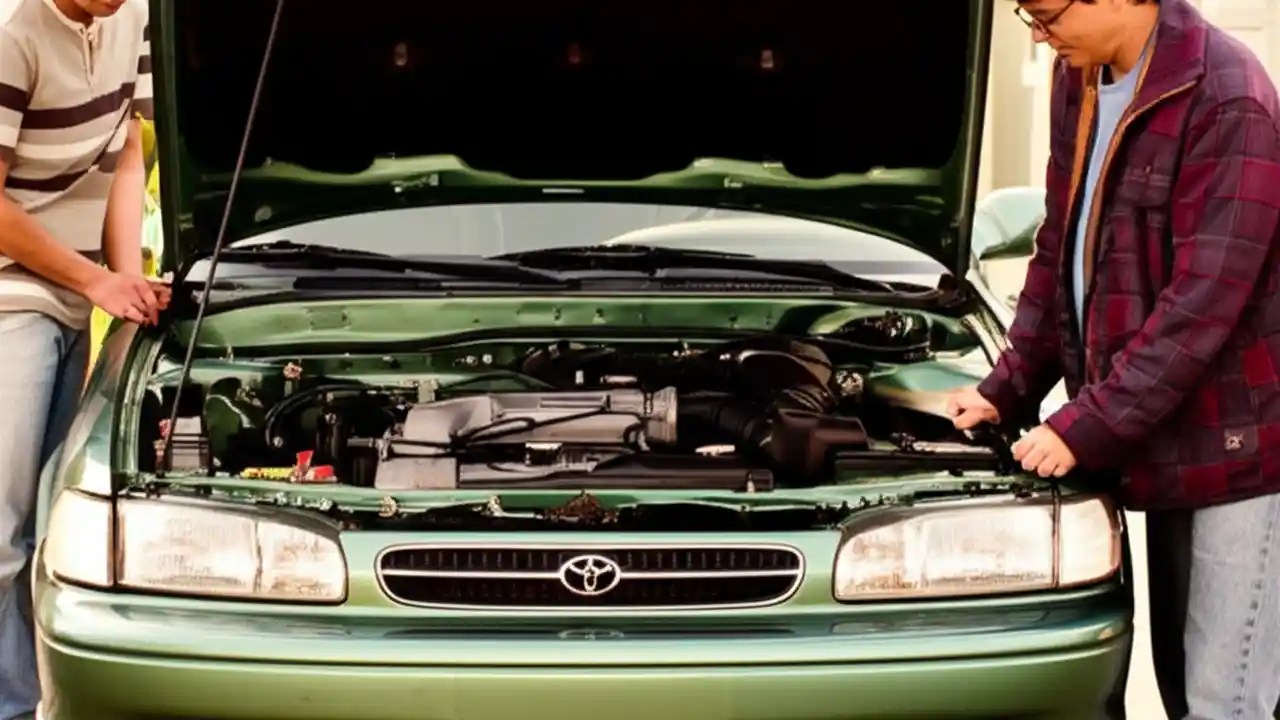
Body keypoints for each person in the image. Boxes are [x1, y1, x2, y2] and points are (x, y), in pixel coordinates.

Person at [950, 0, 1280, 717]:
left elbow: (1199, 309)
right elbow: (1059, 246)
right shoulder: (1084, 80)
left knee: (1225, 702)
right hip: (1161, 437)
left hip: (1239, 452)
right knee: (1179, 688)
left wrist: (1081, 425)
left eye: (1046, 13)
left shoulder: (1229, 96)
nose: (1038, 34)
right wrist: (1007, 388)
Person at [0, 0, 170, 716]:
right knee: (3, 532)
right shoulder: (15, 36)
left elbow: (128, 145)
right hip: (11, 301)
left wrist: (125, 289)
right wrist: (97, 281)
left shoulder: (132, 16)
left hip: (74, 293)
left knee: (53, 524)